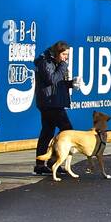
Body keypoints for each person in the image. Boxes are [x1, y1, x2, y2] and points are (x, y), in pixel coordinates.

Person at [33, 40, 75, 176]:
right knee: (67, 130)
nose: (66, 57)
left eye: (67, 55)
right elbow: (51, 79)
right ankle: (53, 161)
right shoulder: (45, 62)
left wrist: (71, 84)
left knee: (47, 132)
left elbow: (56, 83)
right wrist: (63, 66)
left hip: (52, 102)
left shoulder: (55, 62)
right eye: (64, 54)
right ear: (57, 53)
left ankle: (41, 165)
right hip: (50, 103)